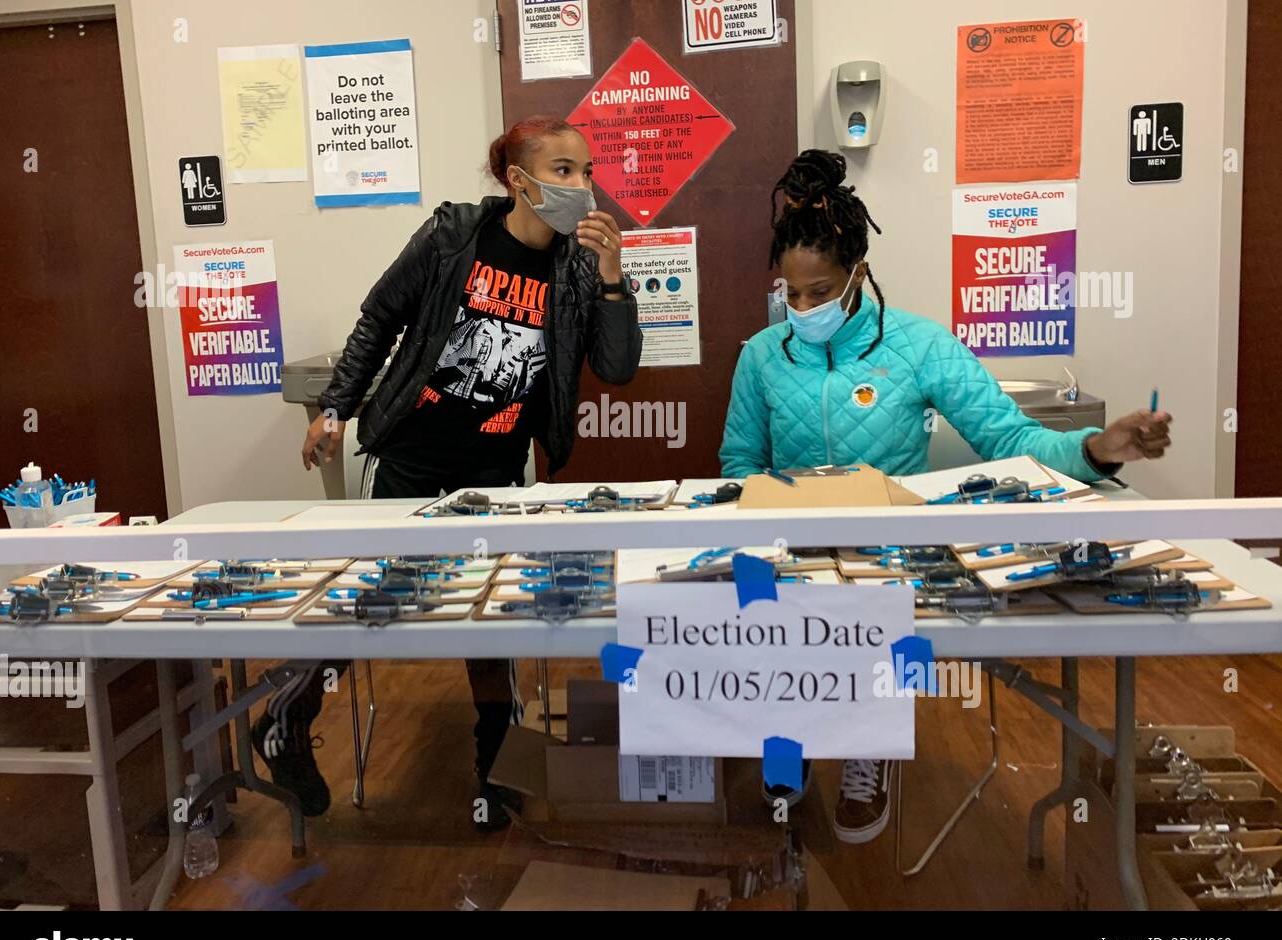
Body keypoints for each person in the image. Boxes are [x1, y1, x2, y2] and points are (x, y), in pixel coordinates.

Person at [720, 149, 1172, 844]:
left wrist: (1097, 448)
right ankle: (795, 733)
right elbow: (739, 464)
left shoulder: (920, 345)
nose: (803, 308)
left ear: (858, 276)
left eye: (820, 291)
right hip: (797, 541)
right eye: (792, 294)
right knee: (770, 601)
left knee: (871, 607)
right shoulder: (761, 355)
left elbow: (1011, 440)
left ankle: (866, 744)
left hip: (893, 550)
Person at [256, 115, 642, 831]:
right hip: (410, 458)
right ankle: (286, 715)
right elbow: (380, 320)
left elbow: (618, 367)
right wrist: (335, 407)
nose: (581, 188)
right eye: (563, 171)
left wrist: (615, 278)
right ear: (517, 180)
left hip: (497, 468)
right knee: (363, 601)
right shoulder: (452, 237)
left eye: (587, 172)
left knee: (492, 622)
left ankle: (495, 767)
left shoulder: (582, 264)